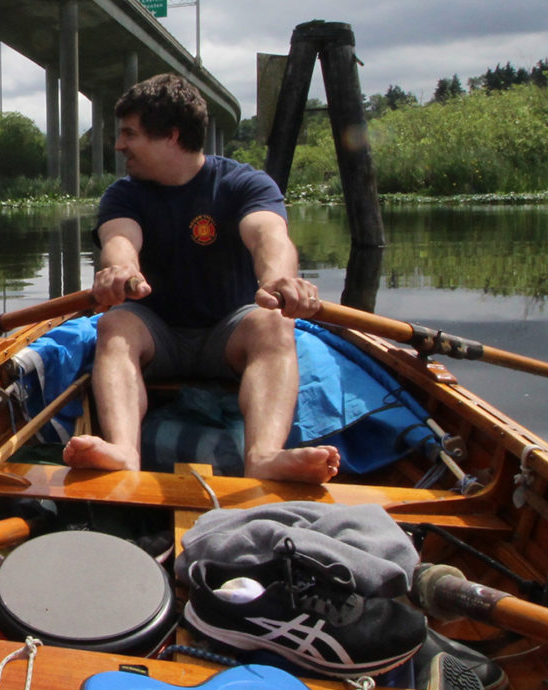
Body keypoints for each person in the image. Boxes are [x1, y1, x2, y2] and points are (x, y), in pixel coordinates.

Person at [62, 74, 340, 482]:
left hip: (228, 335)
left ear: (171, 136)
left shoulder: (244, 183)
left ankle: (263, 456)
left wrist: (278, 280)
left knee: (275, 323)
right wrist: (122, 270)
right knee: (115, 322)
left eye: (129, 134)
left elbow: (268, 235)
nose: (119, 146)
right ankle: (124, 450)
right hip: (157, 335)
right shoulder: (125, 194)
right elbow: (120, 239)